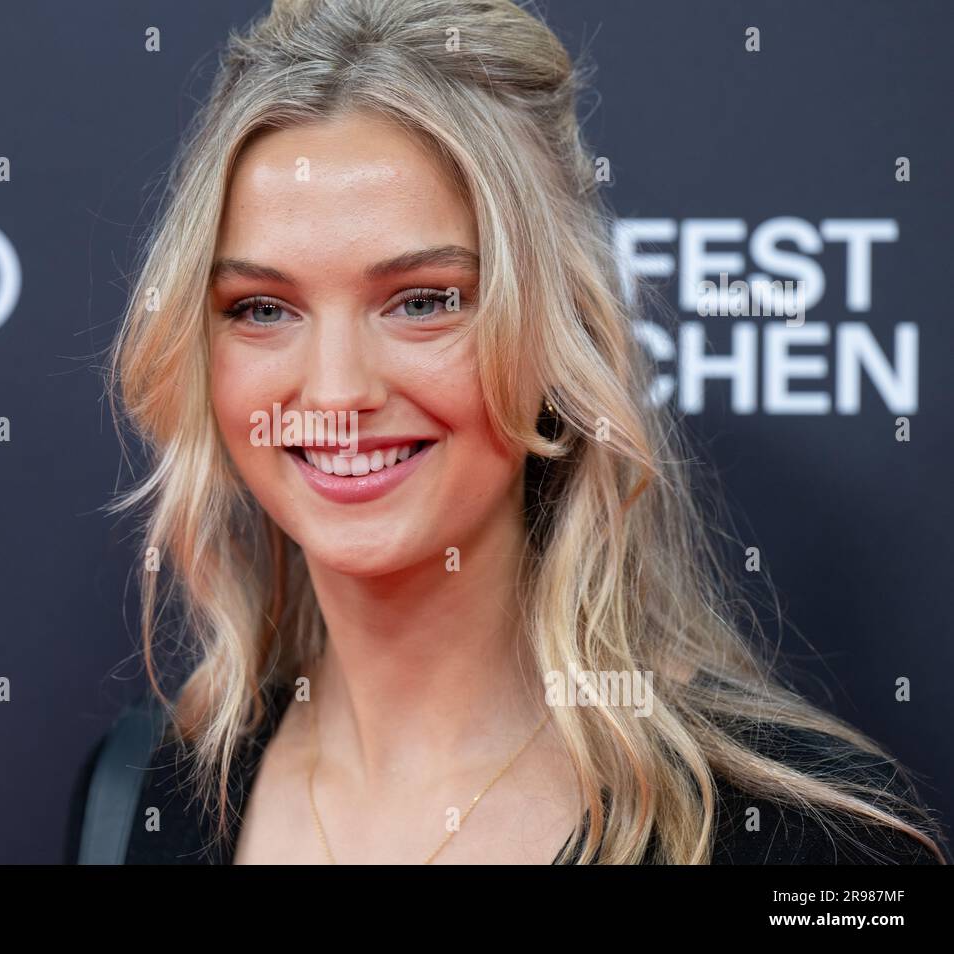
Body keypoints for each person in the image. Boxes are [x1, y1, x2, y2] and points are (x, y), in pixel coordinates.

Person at [71, 0, 948, 864]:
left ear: (558, 334)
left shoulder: (814, 847)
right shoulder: (141, 794)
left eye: (425, 301)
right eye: (262, 308)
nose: (336, 388)